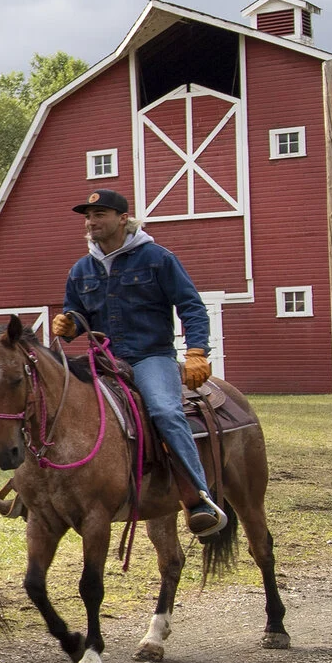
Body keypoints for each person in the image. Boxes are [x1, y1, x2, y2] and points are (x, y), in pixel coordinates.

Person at [51, 188, 226, 536]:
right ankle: (34, 493)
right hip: (102, 359)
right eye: (88, 216)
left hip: (151, 357)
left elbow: (191, 306)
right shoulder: (81, 269)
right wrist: (68, 325)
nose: (91, 222)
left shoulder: (157, 258)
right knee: (55, 404)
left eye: (99, 214)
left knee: (164, 410)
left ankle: (198, 497)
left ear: (122, 219)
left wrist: (196, 352)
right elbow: (76, 314)